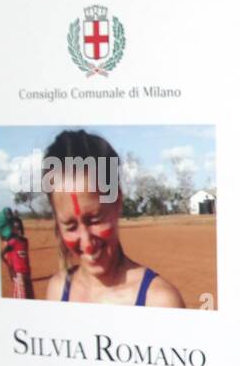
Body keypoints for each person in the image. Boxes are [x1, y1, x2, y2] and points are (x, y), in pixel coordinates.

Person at [40, 129, 185, 308]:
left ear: (117, 202)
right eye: (70, 226)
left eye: (94, 219)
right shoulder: (57, 290)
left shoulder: (159, 301)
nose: (87, 244)